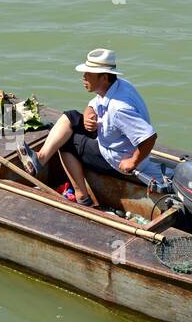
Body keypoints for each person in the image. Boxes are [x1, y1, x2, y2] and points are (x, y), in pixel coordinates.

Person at [18, 49, 157, 207]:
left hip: (116, 159)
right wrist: (88, 115)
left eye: (88, 74)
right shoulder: (118, 85)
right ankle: (40, 158)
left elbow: (149, 137)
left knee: (66, 141)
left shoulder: (118, 108)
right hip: (114, 141)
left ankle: (82, 195)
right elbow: (95, 102)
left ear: (104, 77)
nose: (83, 77)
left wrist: (132, 162)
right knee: (71, 116)